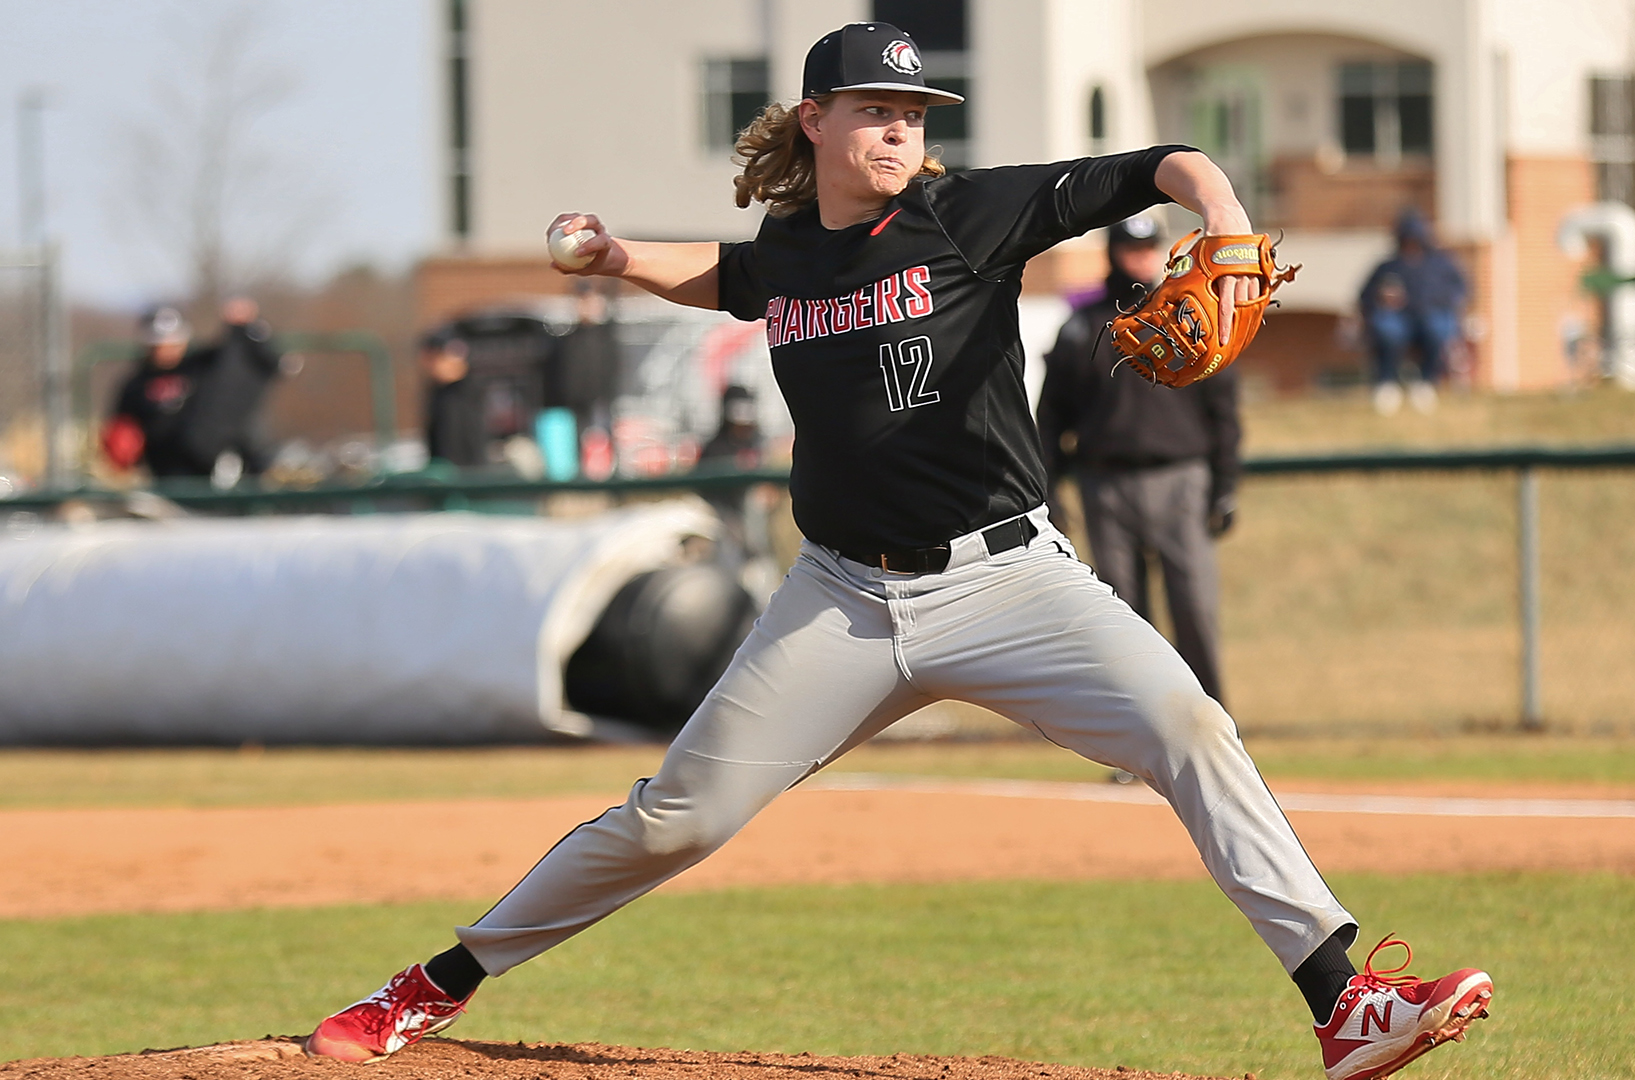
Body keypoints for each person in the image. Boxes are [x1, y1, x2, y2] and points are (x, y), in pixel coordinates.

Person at [303, 23, 1491, 1080]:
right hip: (841, 600)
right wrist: (616, 256)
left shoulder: (966, 211)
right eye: (877, 109)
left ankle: (1345, 1005)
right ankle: (432, 986)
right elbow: (728, 277)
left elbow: (1159, 164)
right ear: (816, 120)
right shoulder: (792, 248)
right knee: (677, 818)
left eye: (914, 113)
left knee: (1190, 727)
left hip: (1011, 580)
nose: (900, 130)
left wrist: (1222, 216)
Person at [1036, 213, 1240, 704]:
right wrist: (1050, 491)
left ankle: (1214, 728)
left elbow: (1223, 411)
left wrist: (1225, 485)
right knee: (1125, 620)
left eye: (1150, 249)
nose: (1142, 259)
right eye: (1132, 249)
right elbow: (1051, 418)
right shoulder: (1082, 328)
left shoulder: (1190, 317)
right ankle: (1139, 735)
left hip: (1181, 478)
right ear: (1113, 252)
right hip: (1105, 484)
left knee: (1194, 609)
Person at [105, 300, 282, 480]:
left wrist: (249, 326)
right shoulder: (135, 384)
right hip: (167, 476)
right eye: (157, 343)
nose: (164, 348)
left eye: (171, 341)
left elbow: (268, 363)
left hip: (221, 467)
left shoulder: (205, 366)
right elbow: (122, 430)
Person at [1358, 209, 1467, 416]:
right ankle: (1387, 383)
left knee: (1438, 328)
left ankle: (1426, 382)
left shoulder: (1441, 264)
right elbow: (1365, 295)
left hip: (1431, 315)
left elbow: (1460, 290)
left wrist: (1439, 302)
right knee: (1387, 328)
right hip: (1399, 319)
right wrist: (1382, 298)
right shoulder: (1388, 266)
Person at [421, 330, 488, 467]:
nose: (430, 366)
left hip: (469, 472)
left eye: (435, 358)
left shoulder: (466, 390)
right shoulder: (439, 392)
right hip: (446, 471)